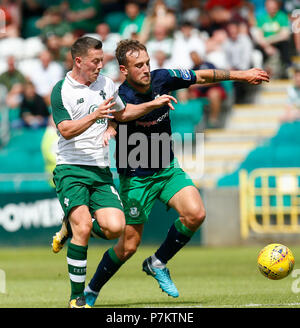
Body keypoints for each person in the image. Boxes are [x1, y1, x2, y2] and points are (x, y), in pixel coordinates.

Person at [53, 39, 269, 307]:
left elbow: (202, 76)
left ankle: (157, 262)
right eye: (138, 65)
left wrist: (243, 75)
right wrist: (113, 127)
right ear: (124, 70)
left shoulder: (162, 79)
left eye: (147, 63)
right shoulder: (119, 93)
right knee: (128, 246)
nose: (145, 69)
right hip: (136, 176)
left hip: (166, 168)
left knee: (196, 213)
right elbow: (115, 116)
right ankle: (92, 289)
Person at [50, 36, 177, 308]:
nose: (100, 65)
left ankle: (70, 229)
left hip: (101, 171)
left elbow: (122, 114)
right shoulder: (61, 90)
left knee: (115, 227)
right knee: (84, 226)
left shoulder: (106, 84)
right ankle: (77, 298)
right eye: (96, 61)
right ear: (78, 61)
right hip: (71, 168)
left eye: (102, 60)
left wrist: (152, 105)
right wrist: (95, 117)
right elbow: (65, 130)